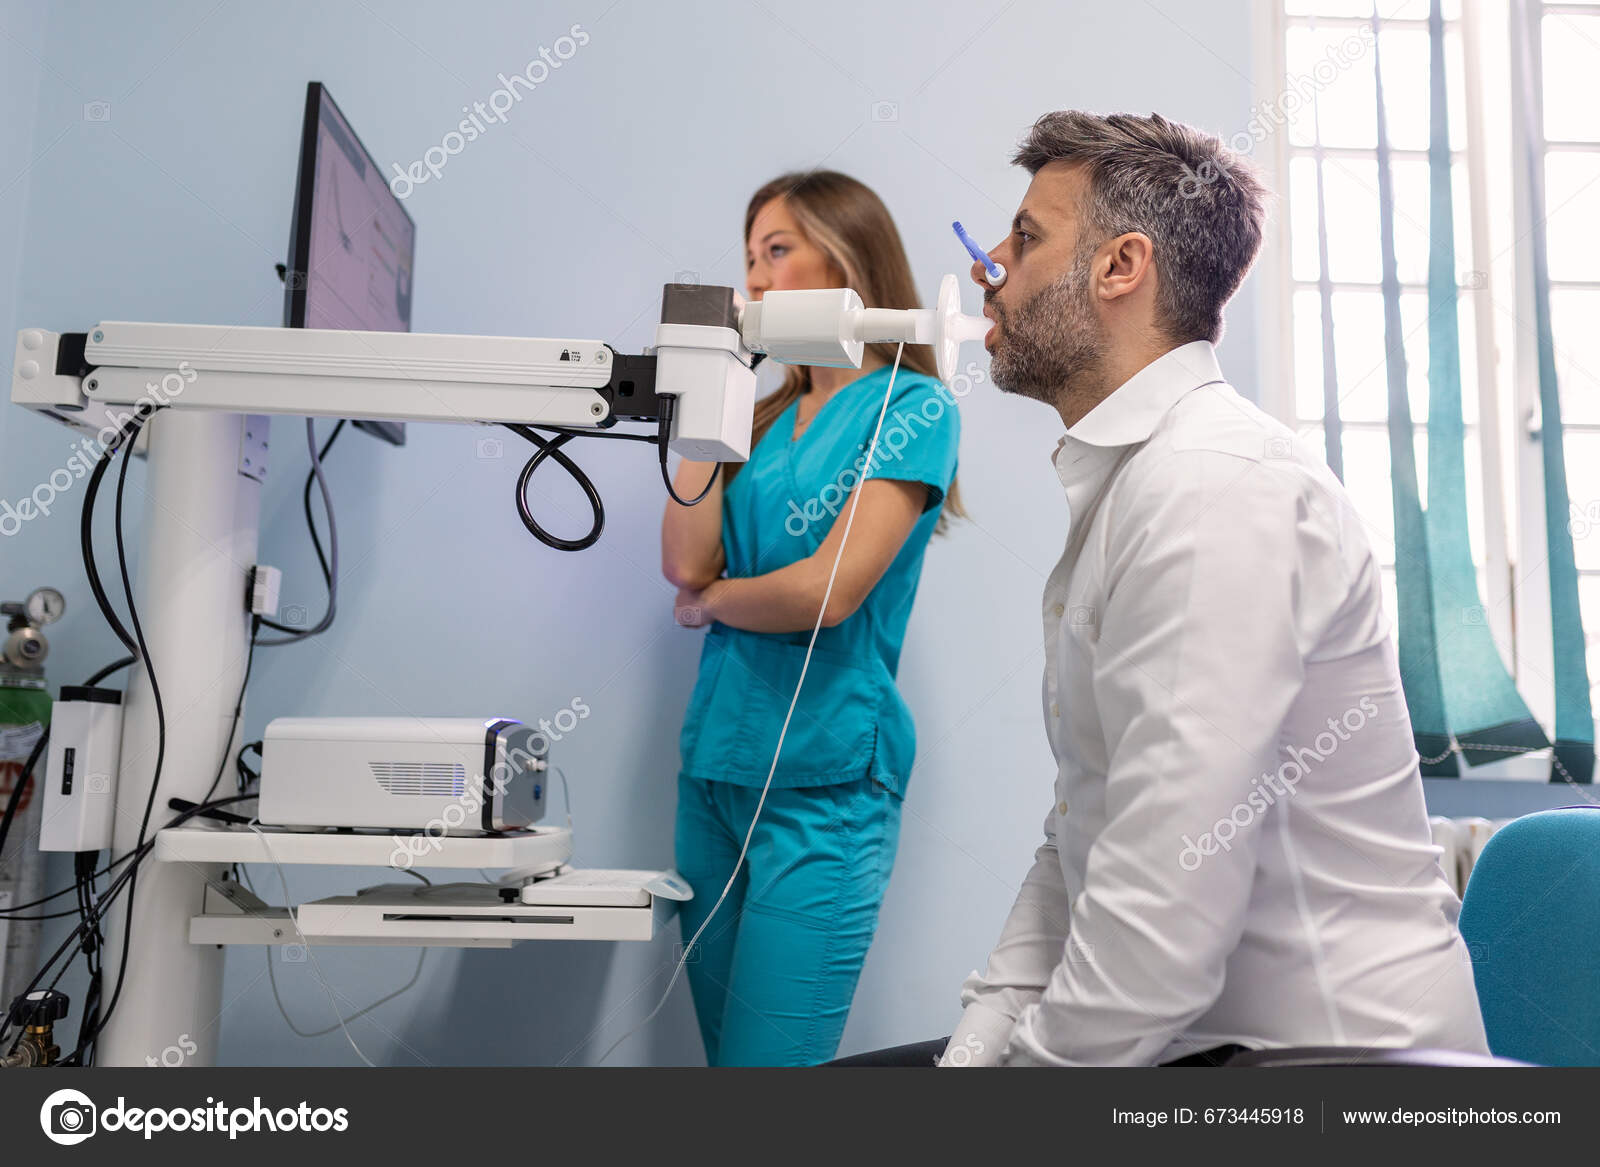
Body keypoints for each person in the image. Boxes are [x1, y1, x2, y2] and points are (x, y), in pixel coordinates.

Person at [940, 111, 1488, 1066]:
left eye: (1026, 237)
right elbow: (1082, 845)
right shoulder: (1137, 482)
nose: (992, 263)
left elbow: (1156, 932)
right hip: (1197, 1046)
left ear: (1121, 267)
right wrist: (976, 1055)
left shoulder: (1212, 492)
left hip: (1332, 1065)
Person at [661, 170, 961, 1066]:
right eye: (748, 259)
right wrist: (703, 389)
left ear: (850, 256)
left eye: (777, 251)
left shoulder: (914, 406)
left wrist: (713, 603)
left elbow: (831, 591)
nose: (754, 280)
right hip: (713, 777)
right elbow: (683, 558)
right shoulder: (751, 415)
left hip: (825, 791)